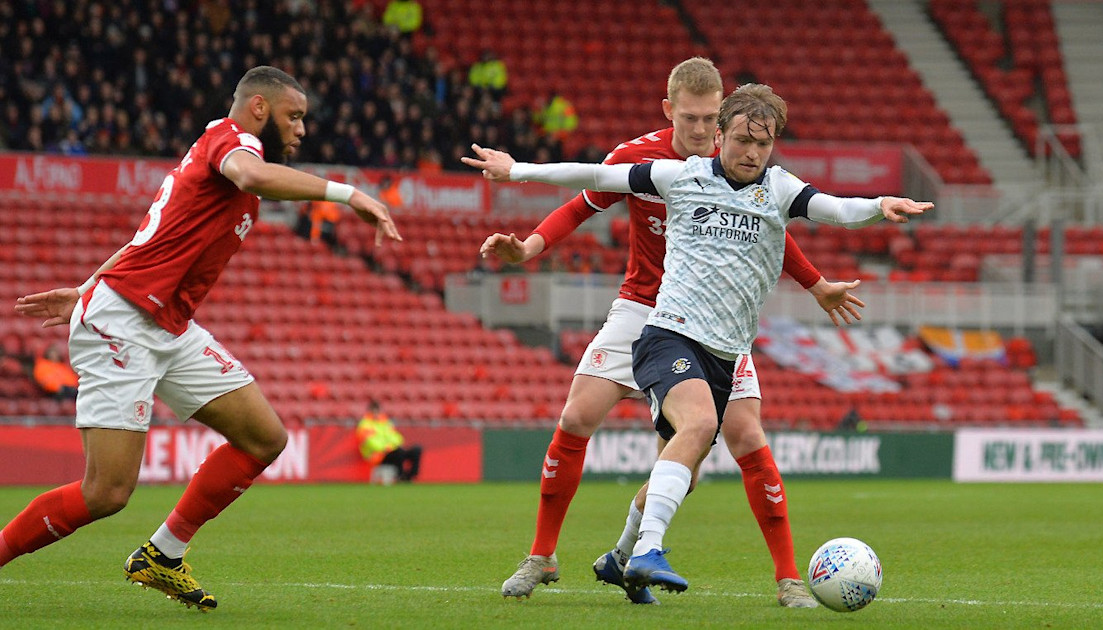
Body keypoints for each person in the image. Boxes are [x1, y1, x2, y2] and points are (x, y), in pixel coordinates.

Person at [464, 82, 931, 595]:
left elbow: (785, 222)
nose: (705, 131)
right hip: (652, 313)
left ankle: (648, 559)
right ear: (670, 111)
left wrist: (823, 274)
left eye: (712, 120)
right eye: (695, 119)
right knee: (580, 416)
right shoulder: (664, 168)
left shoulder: (761, 178)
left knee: (710, 451)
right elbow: (588, 187)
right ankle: (546, 556)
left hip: (724, 329)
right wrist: (522, 194)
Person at [2, 66, 401, 610]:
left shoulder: (224, 156)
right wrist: (349, 192)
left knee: (265, 438)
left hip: (165, 324)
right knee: (107, 494)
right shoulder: (231, 142)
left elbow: (150, 238)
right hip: (122, 324)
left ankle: (162, 555)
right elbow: (253, 177)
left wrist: (85, 286)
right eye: (295, 116)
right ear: (258, 108)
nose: (302, 129)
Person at [356, 400, 422, 483]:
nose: (376, 413)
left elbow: (397, 437)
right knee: (398, 452)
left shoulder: (385, 422)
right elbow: (371, 442)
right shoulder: (365, 424)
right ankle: (400, 476)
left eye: (377, 410)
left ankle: (410, 475)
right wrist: (388, 447)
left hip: (391, 451)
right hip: (377, 456)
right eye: (374, 410)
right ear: (369, 411)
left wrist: (392, 446)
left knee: (416, 450)